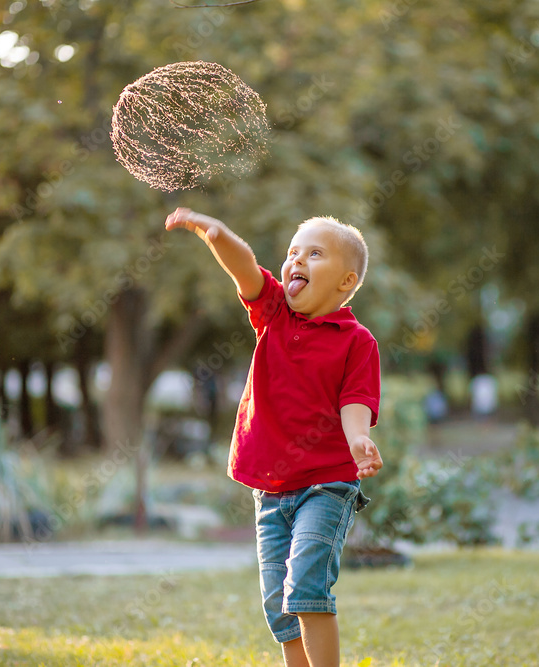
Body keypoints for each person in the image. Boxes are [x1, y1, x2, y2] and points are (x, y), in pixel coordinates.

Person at [165, 208, 383, 667]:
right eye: (292, 252)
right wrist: (216, 233)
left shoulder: (356, 341)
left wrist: (358, 439)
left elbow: (355, 400)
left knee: (305, 587)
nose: (297, 261)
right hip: (271, 489)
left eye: (315, 253)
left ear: (345, 282)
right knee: (278, 605)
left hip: (327, 484)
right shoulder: (275, 313)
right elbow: (245, 267)